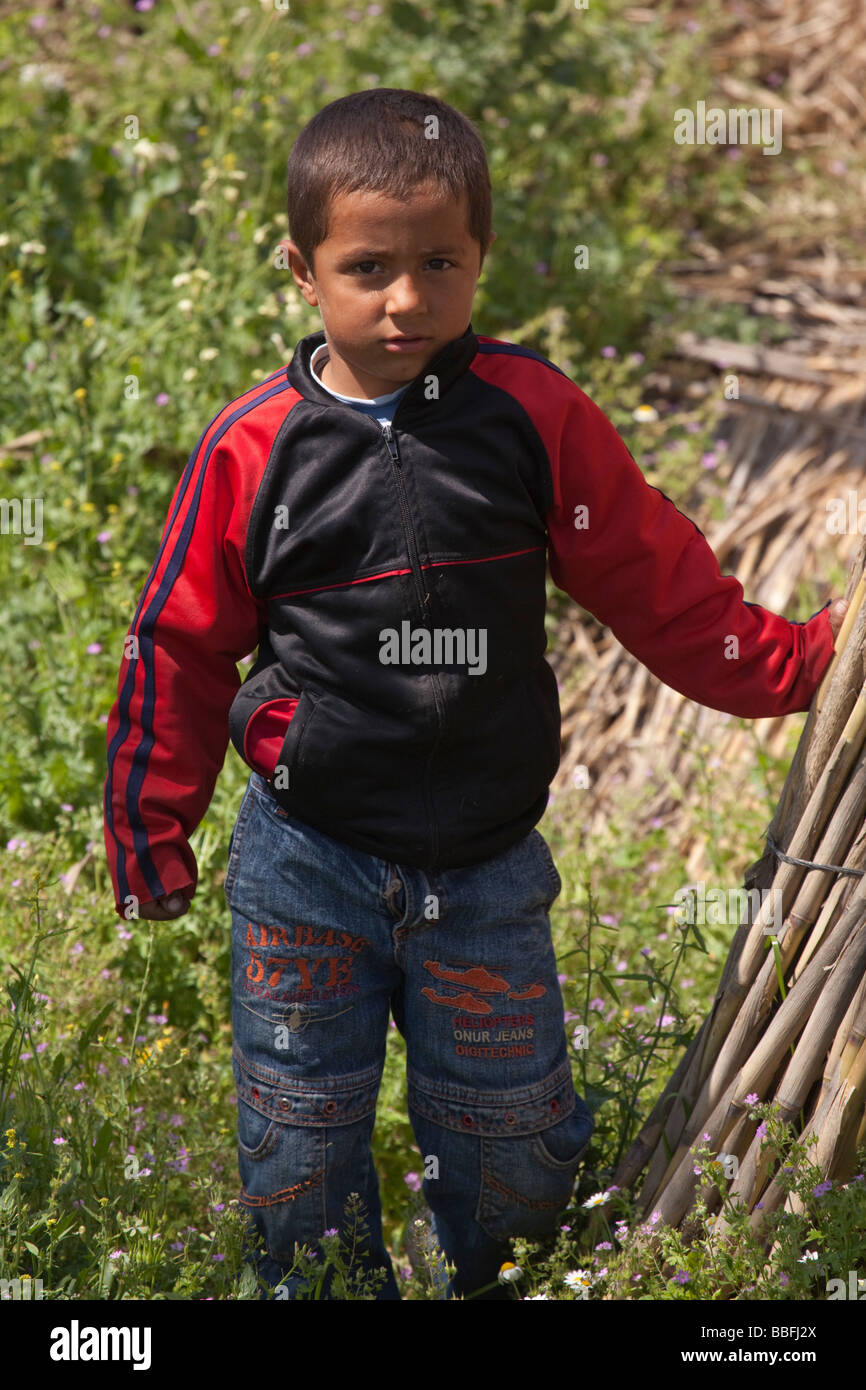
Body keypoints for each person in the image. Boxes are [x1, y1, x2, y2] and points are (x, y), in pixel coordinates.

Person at [103, 88, 848, 1301]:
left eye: (438, 262)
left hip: (487, 868)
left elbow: (653, 579)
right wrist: (150, 829)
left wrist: (795, 663)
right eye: (369, 267)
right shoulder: (252, 450)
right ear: (301, 271)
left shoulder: (530, 415)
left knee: (512, 1164)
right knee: (297, 1151)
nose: (406, 299)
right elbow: (175, 648)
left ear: (481, 257)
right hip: (308, 855)